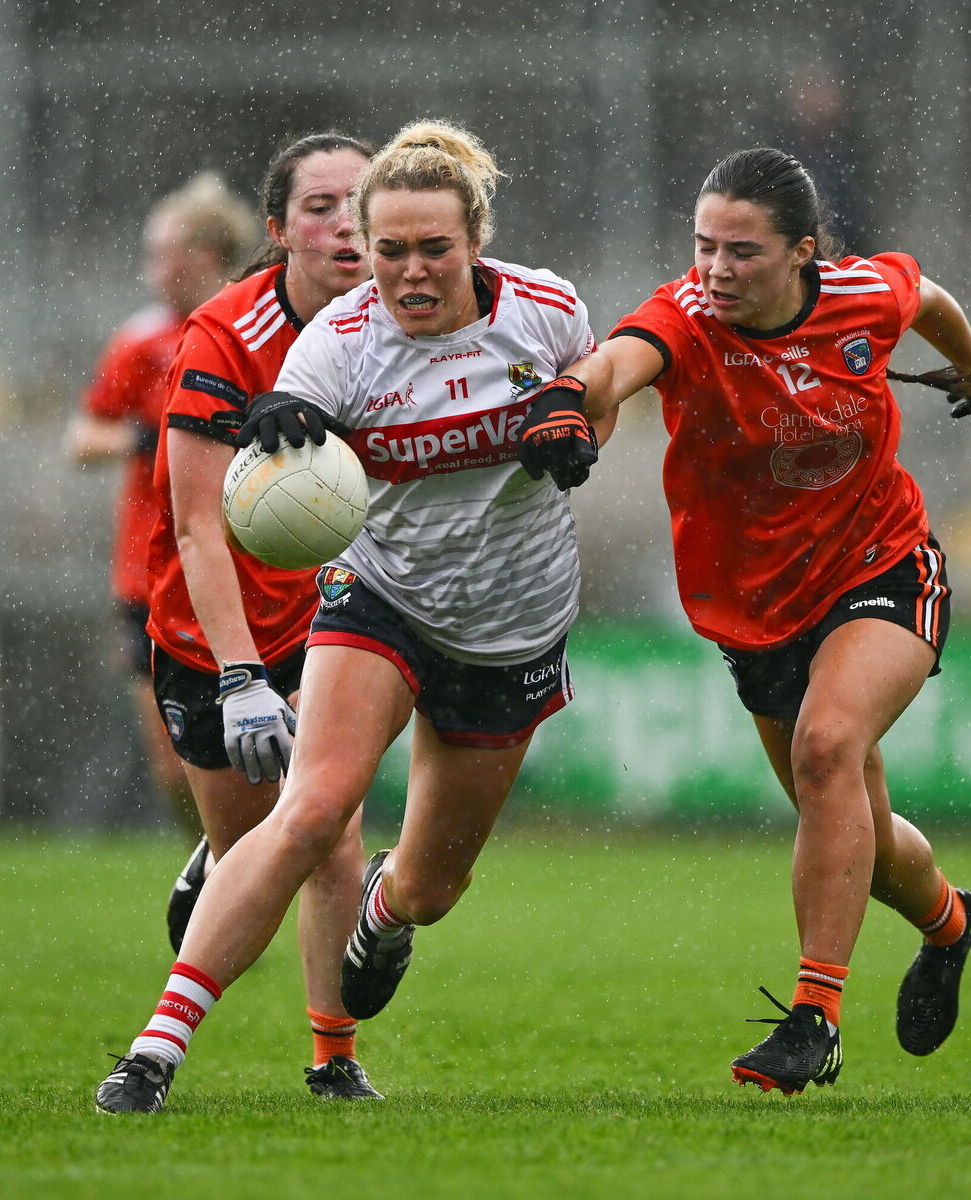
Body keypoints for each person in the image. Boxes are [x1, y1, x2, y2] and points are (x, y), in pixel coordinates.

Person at [95, 118, 608, 1115]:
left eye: (434, 250)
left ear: (476, 241)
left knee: (429, 891)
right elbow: (277, 440)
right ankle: (154, 1051)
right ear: (354, 251)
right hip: (383, 601)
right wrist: (284, 428)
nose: (410, 273)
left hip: (512, 626)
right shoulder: (337, 340)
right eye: (388, 251)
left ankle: (385, 906)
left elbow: (605, 392)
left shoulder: (544, 309)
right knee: (312, 812)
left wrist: (573, 422)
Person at [517, 147, 971, 1096]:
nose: (715, 271)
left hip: (884, 570)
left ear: (803, 253)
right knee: (854, 827)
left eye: (742, 252)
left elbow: (930, 300)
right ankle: (949, 922)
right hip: (757, 614)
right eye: (703, 247)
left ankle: (814, 1017)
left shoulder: (864, 295)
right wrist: (568, 404)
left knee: (828, 749)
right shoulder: (689, 320)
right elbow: (616, 362)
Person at [102, 131, 382, 1106]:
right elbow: (193, 523)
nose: (345, 225)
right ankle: (217, 858)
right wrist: (237, 676)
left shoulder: (404, 317)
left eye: (363, 203)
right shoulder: (221, 334)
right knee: (253, 855)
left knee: (327, 831)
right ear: (276, 230)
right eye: (319, 207)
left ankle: (333, 1061)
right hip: (208, 635)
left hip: (335, 616)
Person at [66, 173, 258, 837]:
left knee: (266, 753)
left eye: (164, 253)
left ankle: (255, 870)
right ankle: (214, 863)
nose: (153, 270)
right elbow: (82, 438)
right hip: (150, 578)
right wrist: (143, 437)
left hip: (250, 570)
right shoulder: (142, 340)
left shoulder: (256, 329)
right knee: (177, 769)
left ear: (206, 257)